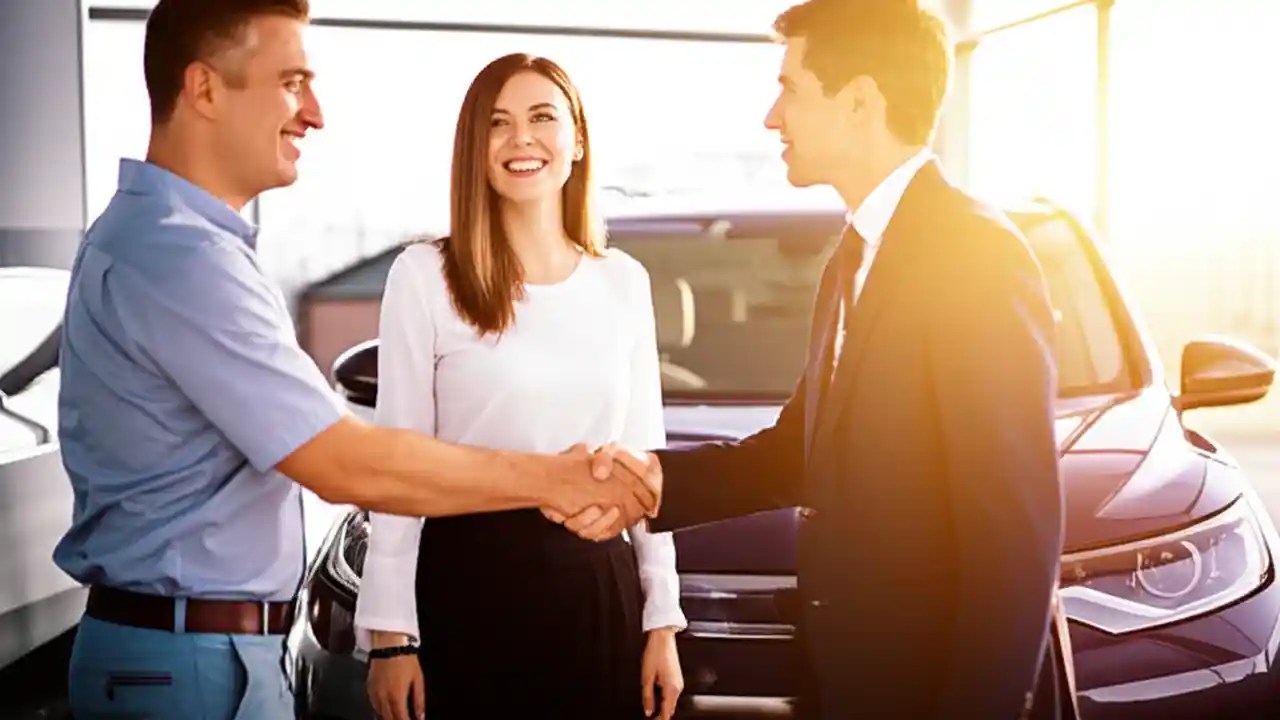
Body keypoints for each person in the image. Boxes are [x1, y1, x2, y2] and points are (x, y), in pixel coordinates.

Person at [53, 3, 654, 719]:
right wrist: (551, 478)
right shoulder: (180, 259)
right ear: (206, 90)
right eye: (291, 82)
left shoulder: (180, 246)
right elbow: (348, 464)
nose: (314, 113)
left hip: (198, 656)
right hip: (188, 666)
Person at [581, 0, 1072, 717]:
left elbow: (1014, 532)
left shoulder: (975, 254)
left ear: (861, 101)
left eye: (791, 88)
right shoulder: (853, 257)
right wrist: (652, 482)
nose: (772, 117)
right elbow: (800, 453)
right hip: (861, 681)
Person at [354, 53, 687, 720]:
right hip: (467, 587)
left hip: (596, 588)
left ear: (579, 139)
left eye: (542, 118)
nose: (521, 140)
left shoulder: (622, 281)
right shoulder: (424, 277)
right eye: (498, 124)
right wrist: (390, 638)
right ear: (474, 147)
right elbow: (398, 464)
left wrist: (662, 620)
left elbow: (644, 457)